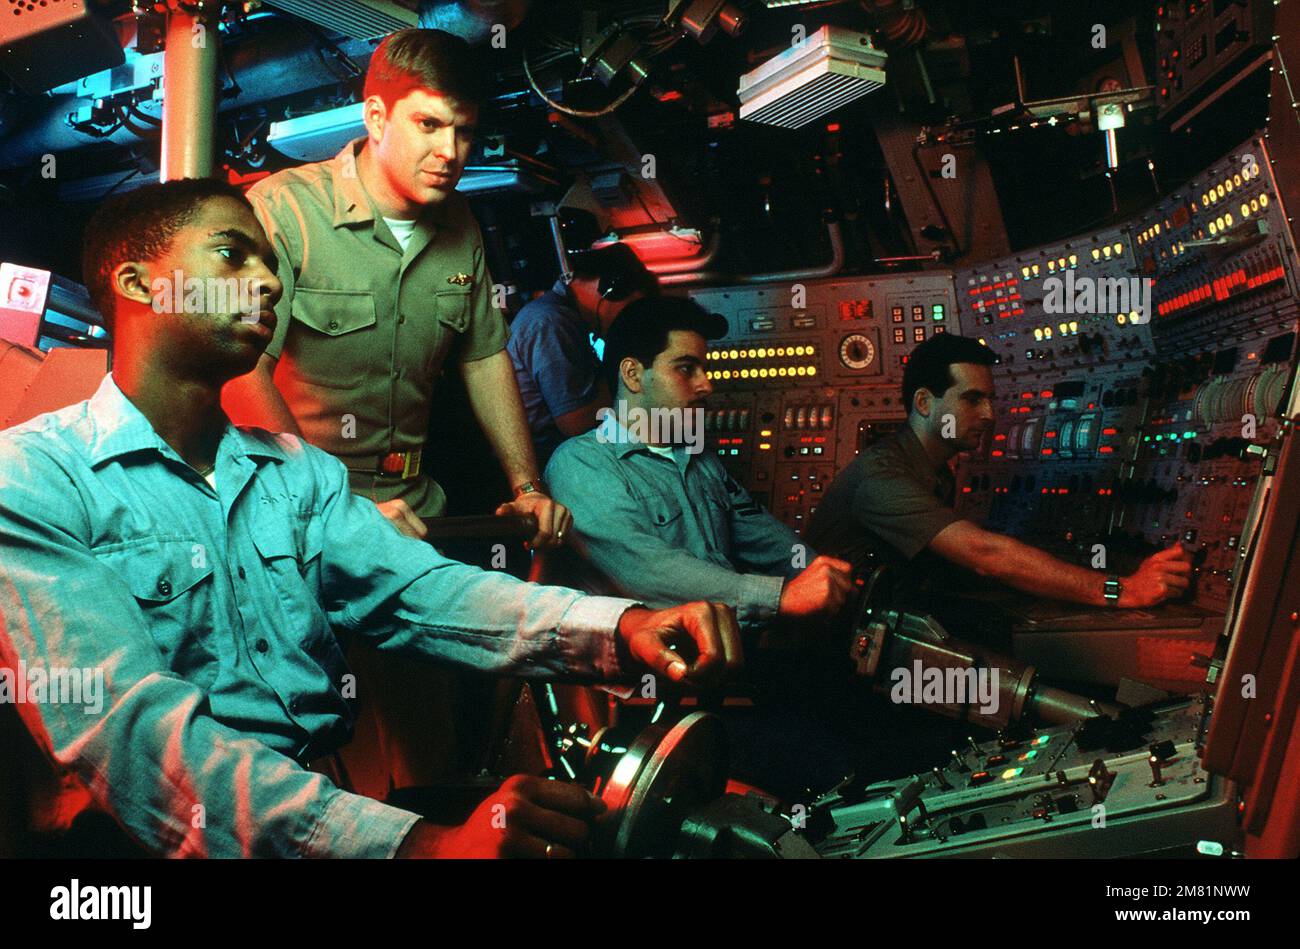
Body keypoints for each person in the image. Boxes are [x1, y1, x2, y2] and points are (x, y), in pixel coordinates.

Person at [0, 179, 740, 858]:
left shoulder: (296, 473)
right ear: (136, 283)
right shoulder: (33, 478)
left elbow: (427, 593)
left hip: (311, 807)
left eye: (271, 263)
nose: (267, 282)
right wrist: (421, 848)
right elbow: (133, 735)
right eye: (231, 256)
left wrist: (622, 627)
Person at [221, 29, 569, 549]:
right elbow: (241, 373)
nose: (450, 152)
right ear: (377, 117)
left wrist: (528, 487)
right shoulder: (284, 209)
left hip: (418, 514)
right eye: (428, 124)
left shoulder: (461, 223)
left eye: (464, 131)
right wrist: (329, 509)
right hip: (299, 522)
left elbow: (485, 359)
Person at [807, 333, 1192, 609]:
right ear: (925, 403)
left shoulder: (929, 468)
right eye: (973, 400)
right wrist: (1123, 590)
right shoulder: (881, 478)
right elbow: (984, 555)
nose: (989, 415)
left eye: (990, 400)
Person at [545, 296, 853, 629]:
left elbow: (764, 538)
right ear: (633, 374)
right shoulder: (580, 464)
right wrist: (780, 597)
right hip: (653, 670)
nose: (706, 385)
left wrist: (824, 576)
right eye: (686, 369)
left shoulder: (699, 460)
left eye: (703, 370)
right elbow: (648, 572)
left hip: (729, 653)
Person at [507, 242, 658, 467]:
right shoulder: (550, 322)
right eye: (629, 310)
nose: (628, 323)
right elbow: (575, 422)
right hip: (548, 460)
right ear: (609, 289)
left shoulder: (569, 319)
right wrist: (635, 380)